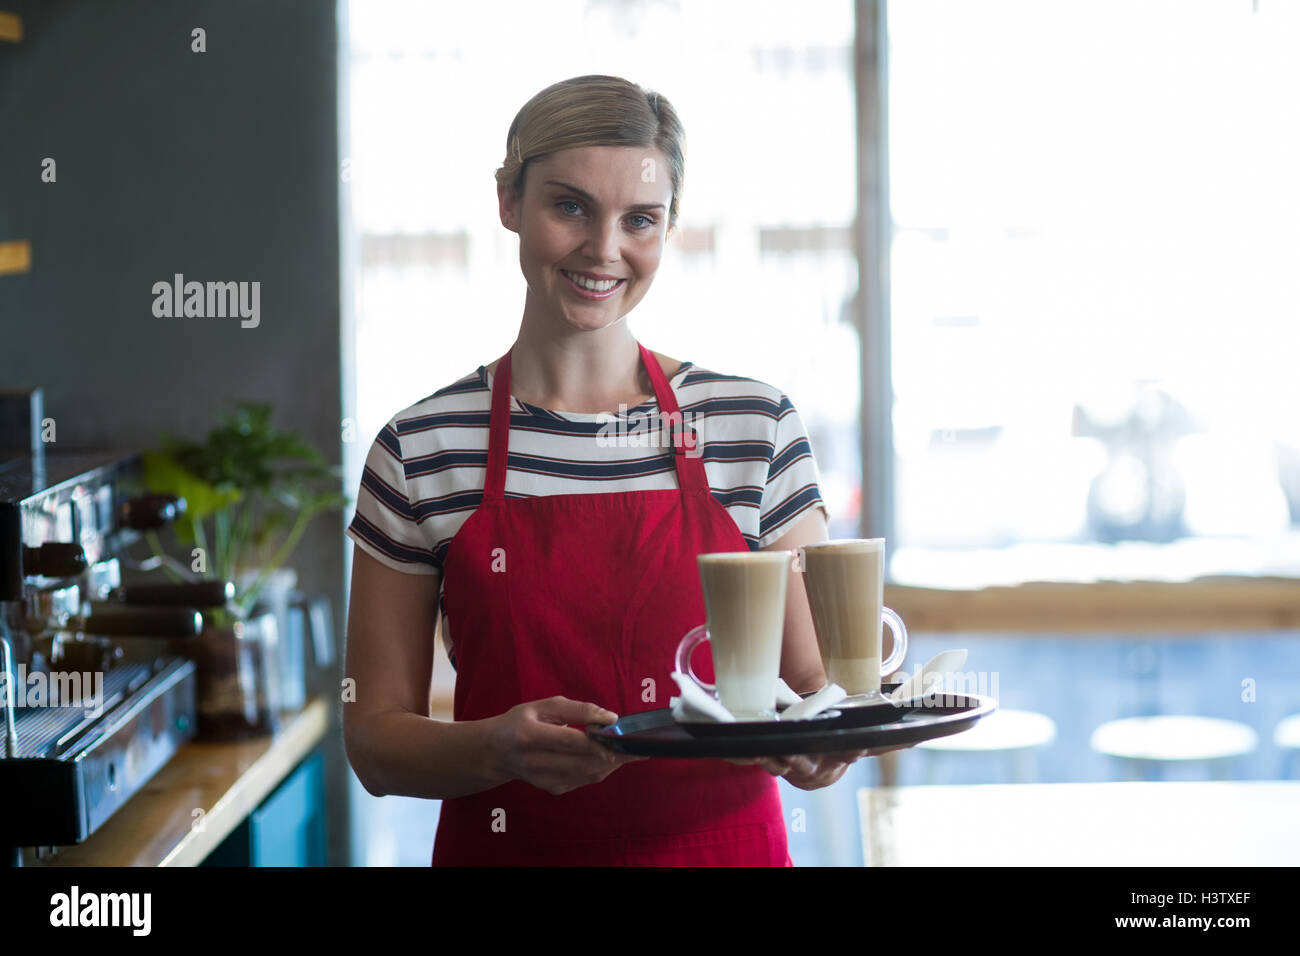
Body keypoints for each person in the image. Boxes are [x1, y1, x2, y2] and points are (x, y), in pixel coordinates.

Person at [343, 75, 900, 867]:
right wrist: (497, 748)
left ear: (669, 229)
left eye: (639, 219)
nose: (604, 249)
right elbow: (373, 740)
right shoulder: (422, 447)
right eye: (569, 206)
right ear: (508, 202)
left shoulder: (751, 427)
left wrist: (821, 749)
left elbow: (812, 691)